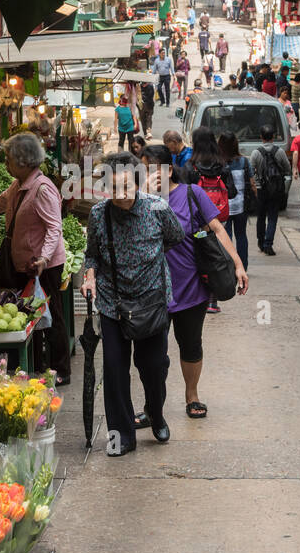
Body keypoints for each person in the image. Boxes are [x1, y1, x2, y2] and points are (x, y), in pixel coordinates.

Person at [80, 152, 183, 455]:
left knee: (153, 368)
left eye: (126, 187)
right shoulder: (99, 214)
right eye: (114, 188)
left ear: (139, 184)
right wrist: (89, 277)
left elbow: (175, 238)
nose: (121, 195)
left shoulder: (158, 209)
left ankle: (155, 412)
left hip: (151, 302)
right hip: (113, 303)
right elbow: (91, 254)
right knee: (114, 370)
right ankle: (121, 437)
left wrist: (149, 265)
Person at [138, 144, 248, 422]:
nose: (148, 174)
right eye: (144, 169)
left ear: (168, 169)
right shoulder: (139, 200)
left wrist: (237, 263)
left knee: (190, 345)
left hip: (190, 286)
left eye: (152, 168)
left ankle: (192, 396)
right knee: (153, 355)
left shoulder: (191, 194)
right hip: (152, 289)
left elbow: (218, 228)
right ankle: (153, 407)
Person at [0, 133, 70, 385]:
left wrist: (43, 258)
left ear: (23, 161)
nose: (6, 164)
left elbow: (55, 228)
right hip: (27, 263)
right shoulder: (19, 184)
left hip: (44, 266)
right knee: (31, 315)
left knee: (51, 315)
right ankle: (38, 365)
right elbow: (1, 202)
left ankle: (60, 370)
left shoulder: (42, 189)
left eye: (9, 160)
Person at [178, 127, 236, 313]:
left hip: (197, 222)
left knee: (199, 255)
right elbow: (232, 192)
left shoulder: (190, 166)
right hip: (219, 219)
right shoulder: (223, 166)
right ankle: (213, 300)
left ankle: (197, 296)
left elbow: (182, 194)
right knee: (217, 256)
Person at [250, 125, 291, 256]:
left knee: (261, 217)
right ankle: (269, 244)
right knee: (272, 217)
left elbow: (250, 172)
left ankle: (261, 242)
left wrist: (255, 184)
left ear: (261, 137)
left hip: (261, 189)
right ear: (273, 137)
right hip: (275, 189)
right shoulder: (279, 152)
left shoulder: (256, 153)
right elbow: (287, 169)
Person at [217, 132, 252, 272]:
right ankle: (243, 266)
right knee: (241, 235)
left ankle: (230, 265)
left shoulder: (217, 163)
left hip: (223, 206)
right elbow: (252, 182)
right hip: (240, 205)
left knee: (226, 236)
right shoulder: (243, 161)